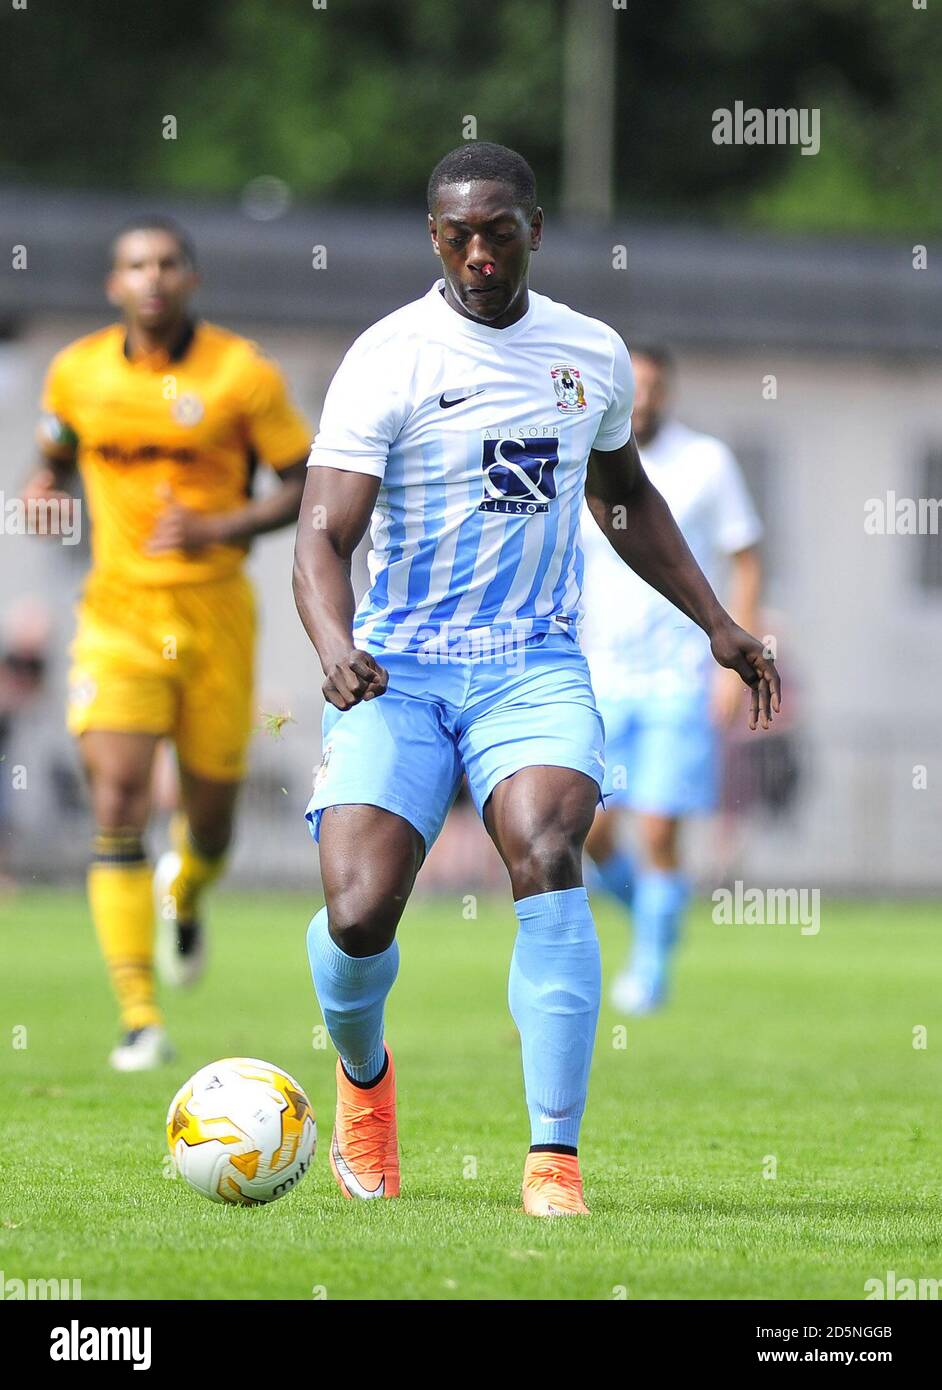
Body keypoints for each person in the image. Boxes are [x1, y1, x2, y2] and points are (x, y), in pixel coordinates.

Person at [292, 142, 780, 1216]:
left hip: (532, 667)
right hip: (399, 671)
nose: (478, 252)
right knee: (362, 911)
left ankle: (552, 1159)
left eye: (498, 231)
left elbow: (624, 497)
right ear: (433, 237)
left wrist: (718, 621)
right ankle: (365, 1081)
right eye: (458, 234)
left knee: (550, 849)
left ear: (535, 230)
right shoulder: (389, 357)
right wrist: (335, 647)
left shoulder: (589, 354)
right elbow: (323, 534)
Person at [22, 218, 311, 1070]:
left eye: (168, 264)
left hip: (217, 618)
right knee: (116, 800)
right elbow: (55, 452)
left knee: (210, 821)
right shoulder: (76, 372)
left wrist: (222, 523)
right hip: (117, 619)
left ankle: (184, 890)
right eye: (136, 266)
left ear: (192, 277)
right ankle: (140, 1018)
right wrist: (43, 487)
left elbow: (303, 483)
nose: (153, 278)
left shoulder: (241, 375)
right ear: (115, 284)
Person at [580, 347, 764, 1013]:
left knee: (658, 829)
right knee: (589, 831)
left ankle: (650, 972)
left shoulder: (705, 462)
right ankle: (658, 914)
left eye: (655, 386)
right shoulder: (585, 461)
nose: (644, 398)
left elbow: (747, 559)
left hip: (678, 678)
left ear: (669, 392)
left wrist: (734, 667)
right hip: (598, 676)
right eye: (635, 386)